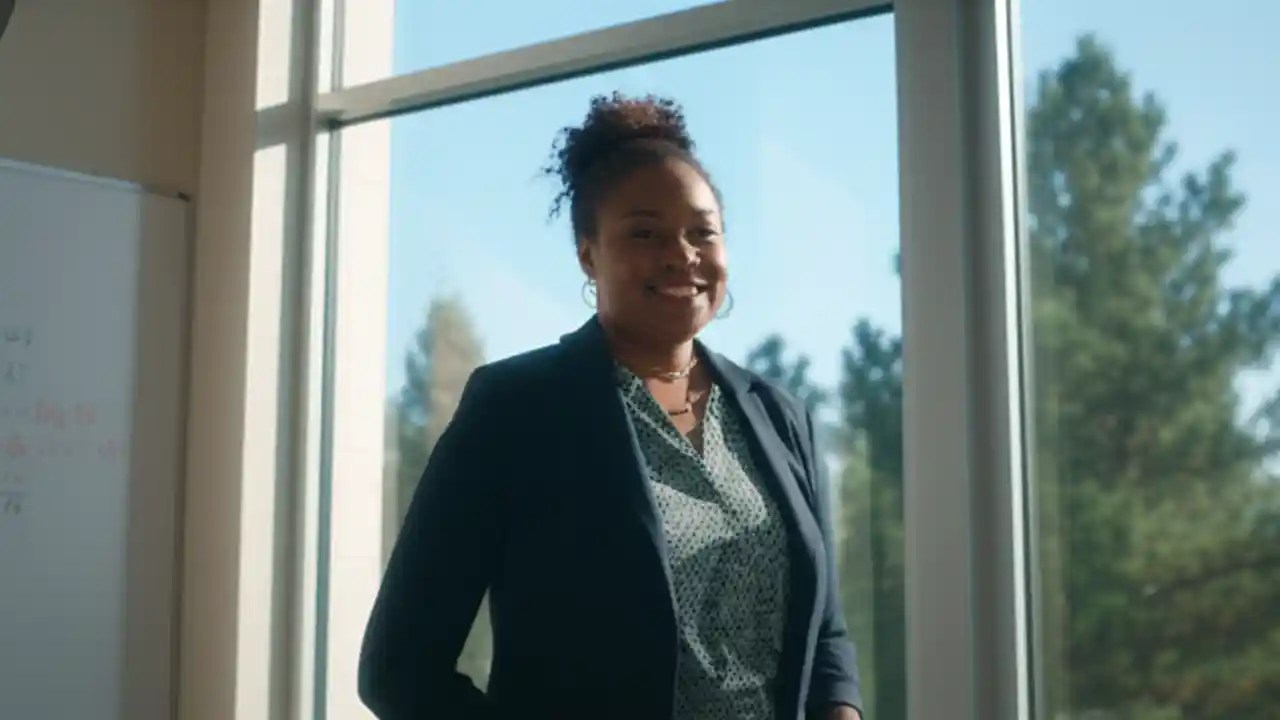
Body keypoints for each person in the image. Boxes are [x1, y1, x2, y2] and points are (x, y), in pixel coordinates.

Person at [358, 93, 863, 720]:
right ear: (587, 252)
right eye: (645, 232)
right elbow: (398, 670)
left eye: (702, 231)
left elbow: (827, 638)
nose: (682, 254)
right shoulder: (516, 410)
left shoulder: (781, 416)